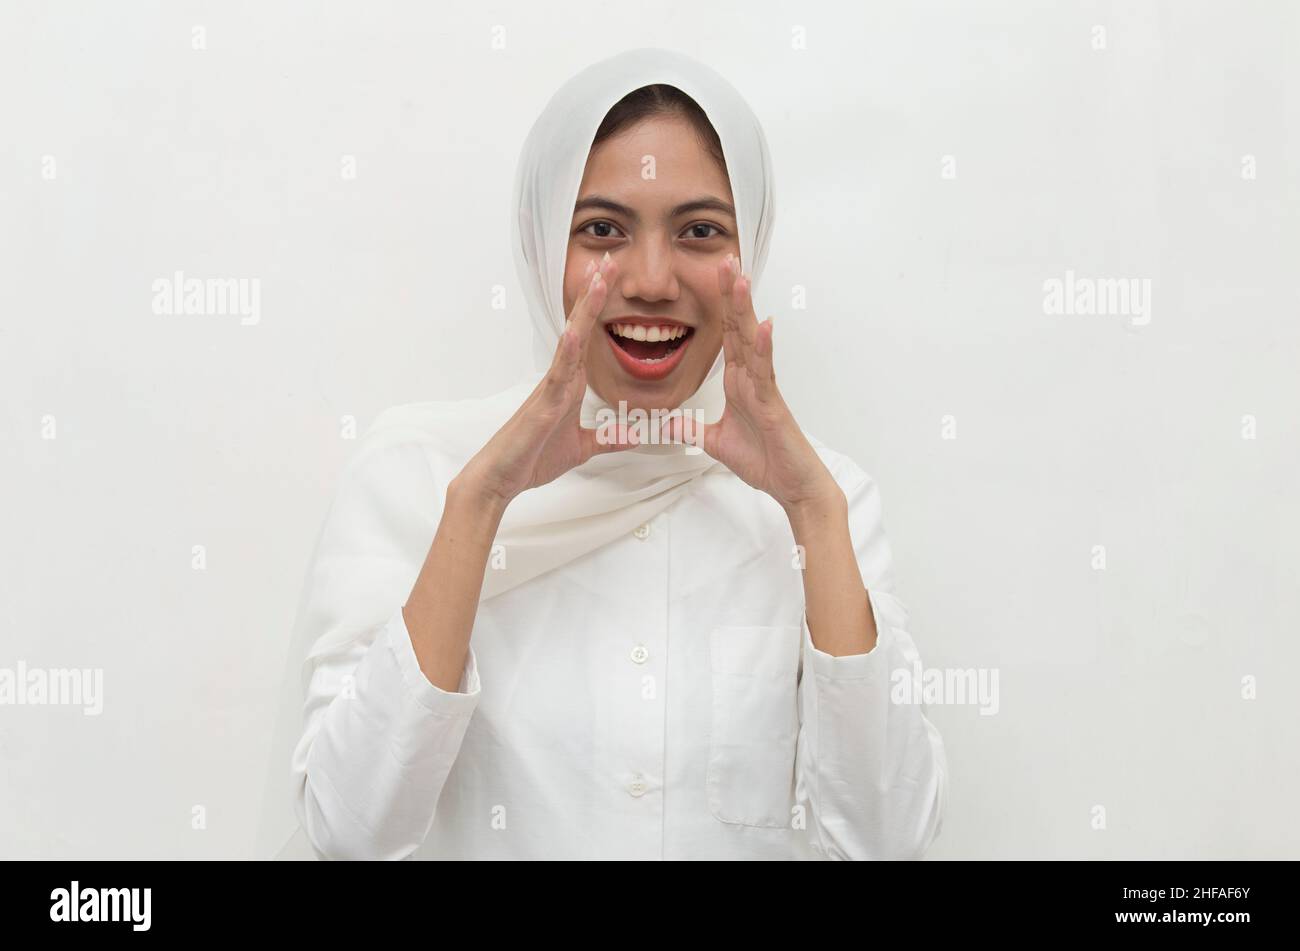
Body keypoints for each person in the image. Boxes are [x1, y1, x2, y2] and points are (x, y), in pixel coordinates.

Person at [257, 47, 947, 861]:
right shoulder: (420, 475)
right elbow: (351, 837)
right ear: (542, 242)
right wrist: (480, 506)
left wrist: (815, 514)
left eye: (698, 230)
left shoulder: (824, 503)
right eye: (602, 229)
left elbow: (889, 845)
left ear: (748, 247)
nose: (652, 279)